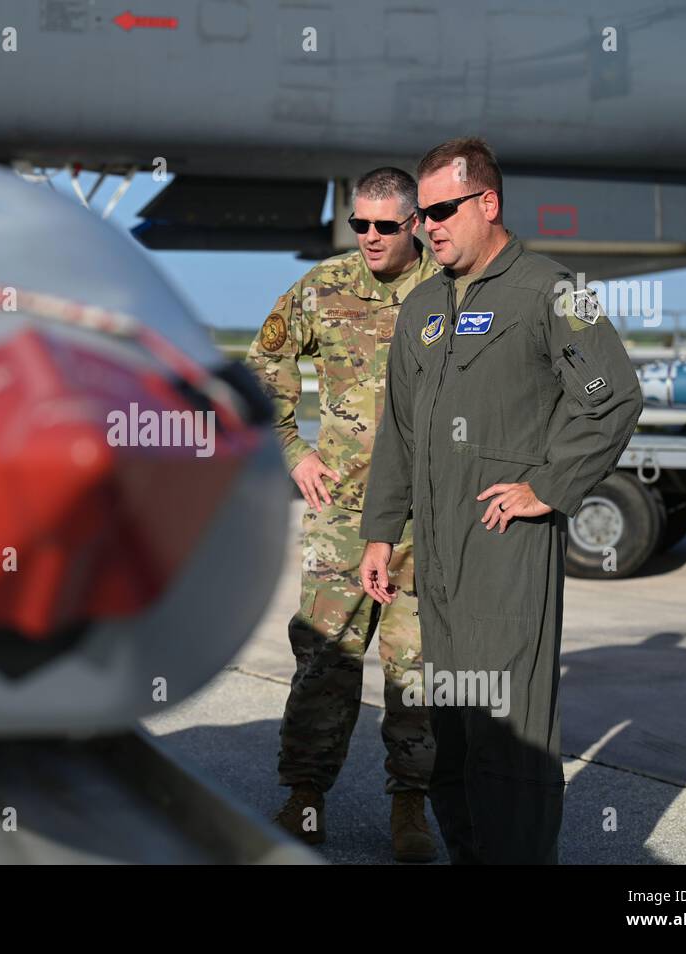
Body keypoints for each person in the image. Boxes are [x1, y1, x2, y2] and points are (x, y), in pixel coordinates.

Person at [358, 138, 642, 864]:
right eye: (420, 215)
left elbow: (610, 396)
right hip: (438, 558)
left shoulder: (552, 291)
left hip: (504, 548)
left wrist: (549, 486)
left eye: (442, 211)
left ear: (488, 203)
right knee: (453, 734)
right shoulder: (423, 305)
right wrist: (381, 532)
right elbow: (398, 430)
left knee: (509, 733)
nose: (427, 226)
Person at [246, 167, 439, 860]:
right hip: (342, 516)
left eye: (386, 225)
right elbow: (263, 366)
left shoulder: (448, 288)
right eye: (360, 224)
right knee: (324, 663)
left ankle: (411, 805)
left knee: (416, 670)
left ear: (415, 223)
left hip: (426, 519)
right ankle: (304, 798)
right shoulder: (323, 286)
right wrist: (292, 449)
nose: (371, 237)